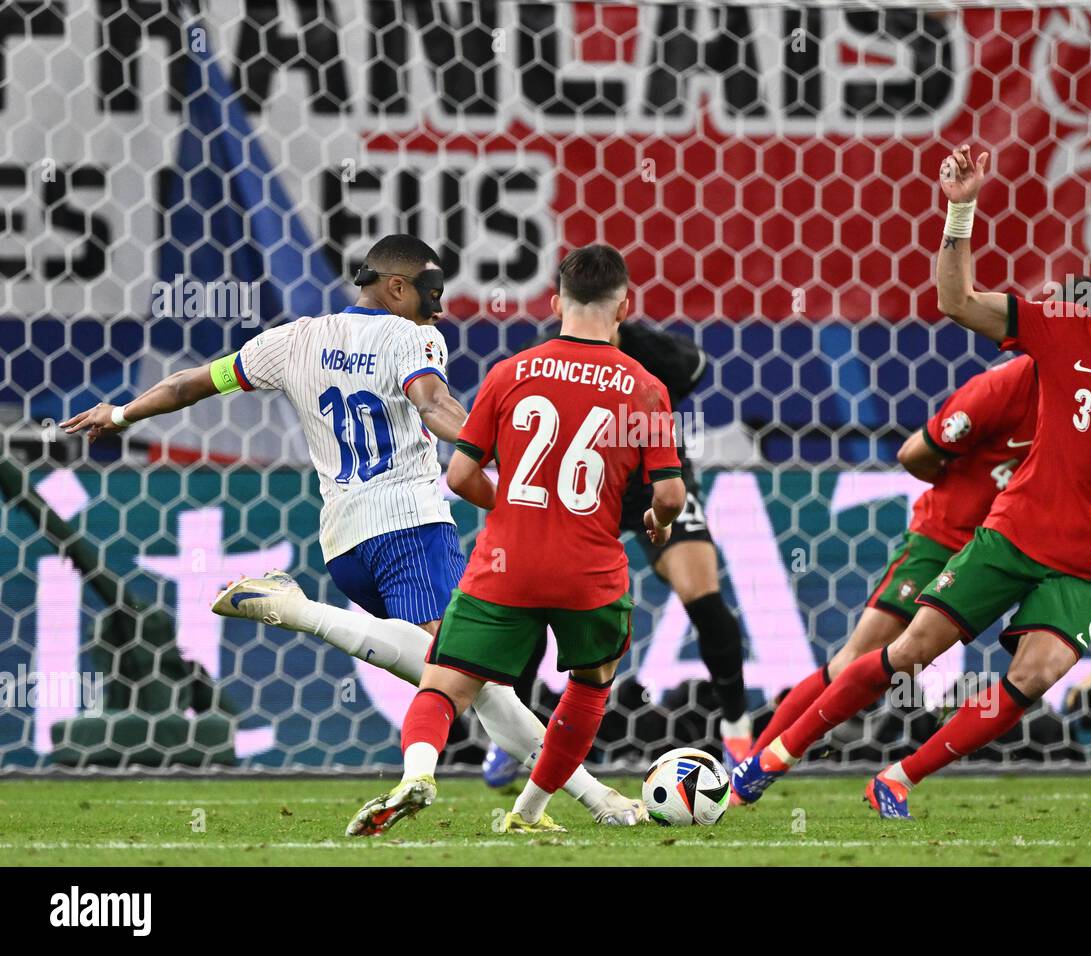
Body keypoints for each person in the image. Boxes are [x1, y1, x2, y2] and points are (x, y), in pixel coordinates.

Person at [733, 145, 1091, 818]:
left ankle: (906, 778)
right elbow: (956, 300)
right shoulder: (1062, 330)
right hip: (1012, 536)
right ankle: (768, 759)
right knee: (905, 652)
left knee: (1061, 663)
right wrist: (960, 208)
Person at [61, 234, 645, 826]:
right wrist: (492, 447)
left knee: (471, 681)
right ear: (396, 287)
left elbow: (189, 383)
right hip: (410, 526)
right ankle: (295, 610)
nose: (438, 308)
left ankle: (582, 802)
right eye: (432, 292)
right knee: (461, 676)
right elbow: (433, 400)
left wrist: (120, 413)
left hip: (345, 542)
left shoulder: (292, 340)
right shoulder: (410, 337)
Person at [748, 350, 1091, 806]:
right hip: (956, 538)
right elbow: (916, 455)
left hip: (1051, 544)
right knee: (872, 657)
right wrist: (978, 496)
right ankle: (751, 765)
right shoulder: (1002, 387)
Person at [346, 244, 686, 836]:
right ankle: (527, 812)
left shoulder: (511, 373)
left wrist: (516, 510)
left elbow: (459, 474)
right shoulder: (645, 387)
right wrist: (659, 522)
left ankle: (417, 774)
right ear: (623, 307)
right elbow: (671, 494)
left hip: (506, 563)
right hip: (590, 570)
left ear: (555, 303)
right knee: (590, 682)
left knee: (445, 682)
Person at [481, 318, 751, 788]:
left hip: (653, 480)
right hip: (580, 489)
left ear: (621, 309)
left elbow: (692, 369)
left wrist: (635, 342)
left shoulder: (650, 354)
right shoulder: (541, 353)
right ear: (560, 306)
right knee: (535, 603)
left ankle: (736, 725)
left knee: (702, 596)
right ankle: (514, 735)